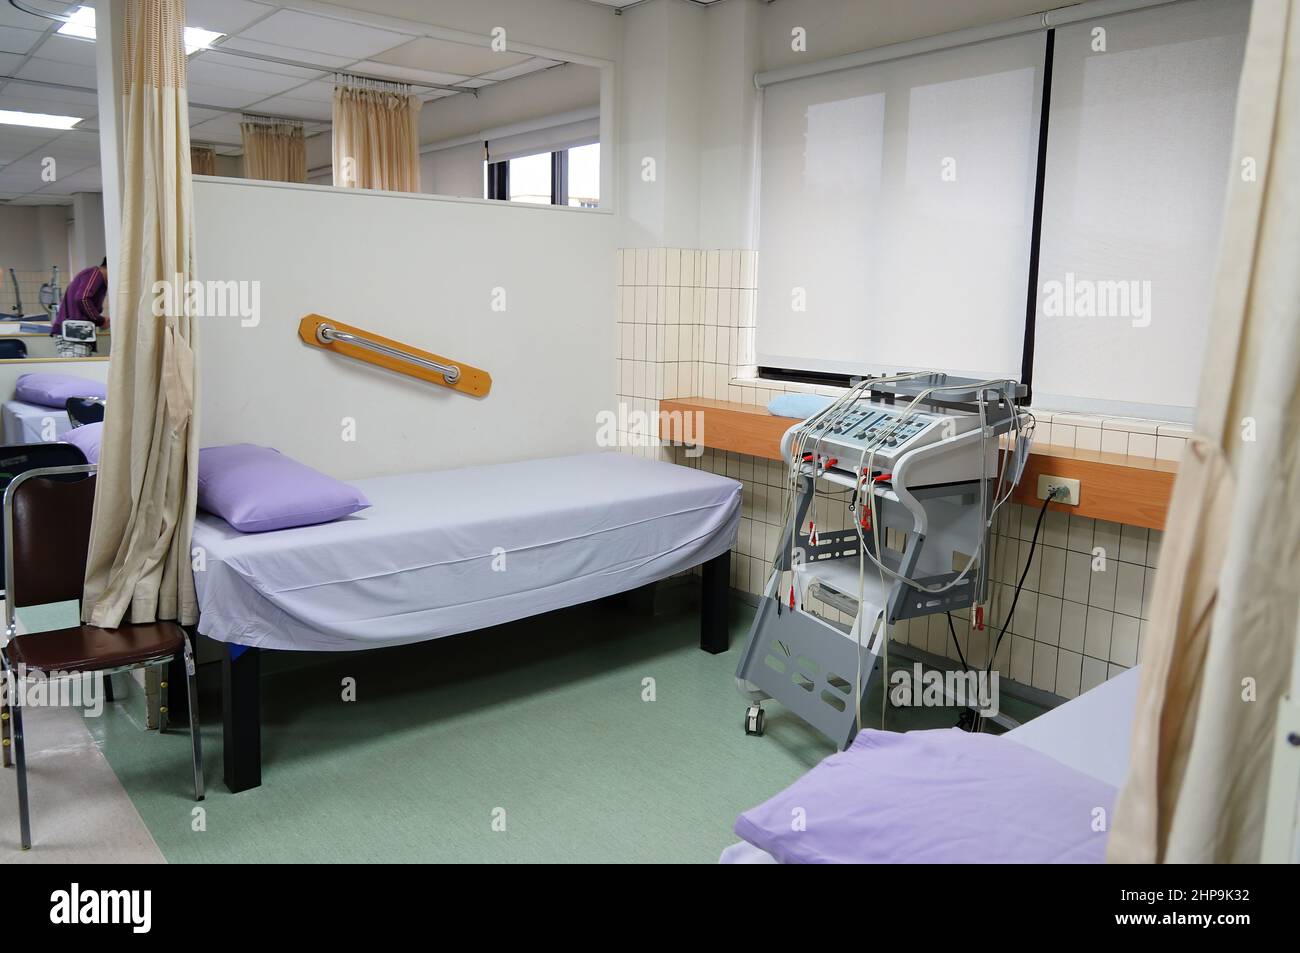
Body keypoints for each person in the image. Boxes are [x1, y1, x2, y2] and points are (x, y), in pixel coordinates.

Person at [52, 257, 108, 357]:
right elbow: (82, 298)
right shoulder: (95, 274)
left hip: (76, 333)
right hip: (74, 334)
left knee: (78, 364)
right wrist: (100, 320)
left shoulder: (95, 278)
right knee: (77, 365)